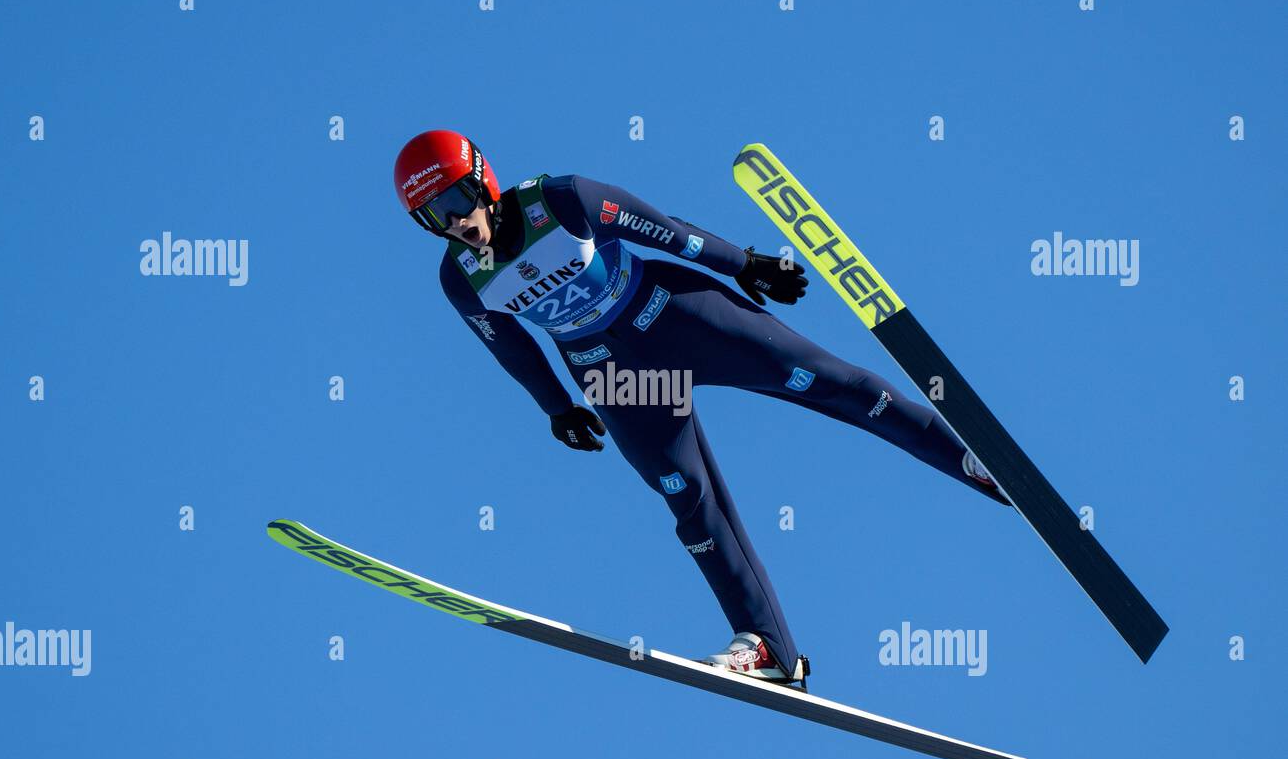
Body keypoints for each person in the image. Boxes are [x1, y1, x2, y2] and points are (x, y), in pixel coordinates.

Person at [394, 129, 1009, 687]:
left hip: (679, 316)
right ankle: (769, 648)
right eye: (431, 219)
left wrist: (746, 264)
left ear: (483, 181)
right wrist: (555, 407)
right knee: (687, 496)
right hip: (615, 377)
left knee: (833, 383)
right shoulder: (462, 278)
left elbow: (664, 230)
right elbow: (512, 348)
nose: (453, 225)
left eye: (454, 203)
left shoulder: (560, 200)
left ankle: (972, 461)